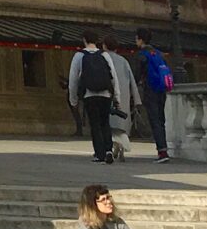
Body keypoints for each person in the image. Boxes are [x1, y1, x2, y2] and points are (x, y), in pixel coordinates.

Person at [67, 30, 117, 163]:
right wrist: (116, 96)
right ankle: (108, 150)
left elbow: (73, 80)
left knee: (95, 124)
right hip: (105, 94)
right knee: (105, 123)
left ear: (84, 40)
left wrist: (73, 100)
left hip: (89, 94)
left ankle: (99, 154)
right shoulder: (104, 55)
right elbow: (113, 77)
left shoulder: (79, 56)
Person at [134, 28, 174, 161]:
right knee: (161, 119)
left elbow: (138, 74)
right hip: (161, 89)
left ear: (140, 39)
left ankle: (162, 151)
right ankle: (164, 148)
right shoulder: (158, 54)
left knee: (154, 120)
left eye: (137, 39)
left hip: (150, 89)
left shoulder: (142, 54)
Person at [102, 32, 138, 163]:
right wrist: (137, 99)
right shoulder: (124, 61)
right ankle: (121, 149)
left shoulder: (102, 58)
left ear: (104, 45)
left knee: (109, 125)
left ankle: (110, 149)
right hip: (124, 96)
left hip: (108, 95)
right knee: (122, 125)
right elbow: (132, 82)